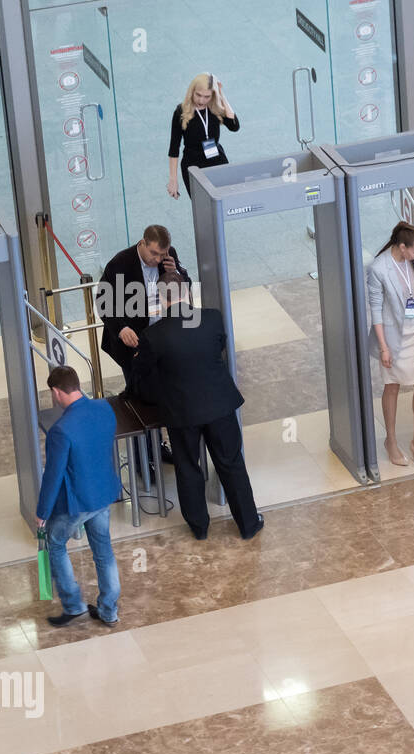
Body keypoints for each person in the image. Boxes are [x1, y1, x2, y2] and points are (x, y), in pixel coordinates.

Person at [133, 272, 263, 542]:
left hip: (182, 412)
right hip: (219, 406)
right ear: (186, 293)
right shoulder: (212, 318)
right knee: (231, 462)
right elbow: (218, 348)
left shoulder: (153, 336)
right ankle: (248, 523)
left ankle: (199, 527)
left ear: (161, 299)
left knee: (187, 466)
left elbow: (140, 375)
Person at [36, 366, 123, 628]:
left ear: (55, 391)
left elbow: (52, 476)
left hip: (78, 503)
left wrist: (42, 513)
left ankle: (73, 605)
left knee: (55, 543)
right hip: (103, 493)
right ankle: (109, 611)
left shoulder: (60, 430)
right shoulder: (104, 409)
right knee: (103, 551)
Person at [366, 221, 414, 467]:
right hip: (393, 336)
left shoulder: (411, 262)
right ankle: (391, 441)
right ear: (402, 247)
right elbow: (375, 309)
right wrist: (383, 347)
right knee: (392, 386)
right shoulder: (379, 269)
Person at [95, 225, 190, 396]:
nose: (159, 259)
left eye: (163, 254)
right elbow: (103, 302)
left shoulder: (169, 256)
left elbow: (185, 286)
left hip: (164, 335)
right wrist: (121, 328)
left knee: (171, 388)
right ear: (143, 243)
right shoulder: (119, 263)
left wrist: (175, 272)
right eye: (154, 253)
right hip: (134, 341)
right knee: (139, 392)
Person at [167, 73, 239, 199]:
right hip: (193, 165)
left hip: (217, 160)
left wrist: (222, 95)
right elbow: (174, 148)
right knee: (203, 208)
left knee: (223, 204)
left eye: (207, 97)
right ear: (192, 92)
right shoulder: (181, 112)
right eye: (198, 95)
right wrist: (173, 180)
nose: (201, 100)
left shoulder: (215, 108)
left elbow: (234, 126)